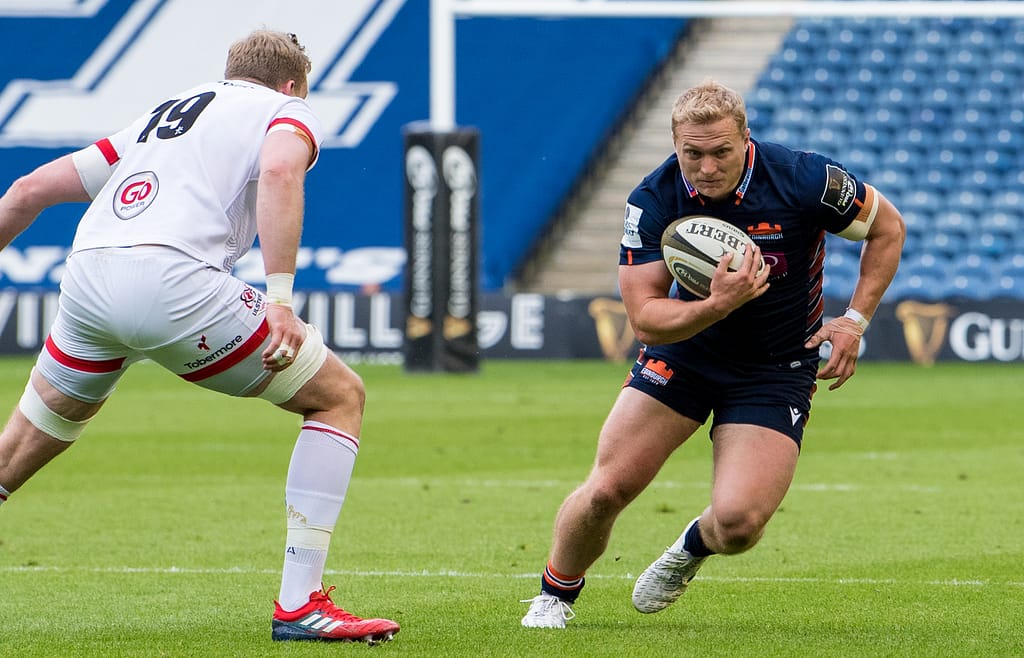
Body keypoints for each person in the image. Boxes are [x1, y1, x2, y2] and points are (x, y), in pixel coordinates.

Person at [0, 30, 399, 644]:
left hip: (88, 278)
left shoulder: (163, 115)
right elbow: (279, 170)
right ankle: (300, 605)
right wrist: (282, 299)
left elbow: (25, 192)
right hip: (175, 281)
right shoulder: (285, 110)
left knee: (16, 451)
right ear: (292, 84)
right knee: (338, 396)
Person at [520, 79, 905, 628]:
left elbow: (888, 228)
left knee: (739, 524)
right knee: (608, 488)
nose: (706, 167)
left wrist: (854, 320)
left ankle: (689, 549)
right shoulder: (653, 198)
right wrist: (715, 306)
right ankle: (554, 593)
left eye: (721, 151)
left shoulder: (805, 178)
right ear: (675, 145)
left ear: (746, 139)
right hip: (685, 356)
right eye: (691, 153)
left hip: (776, 368)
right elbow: (645, 317)